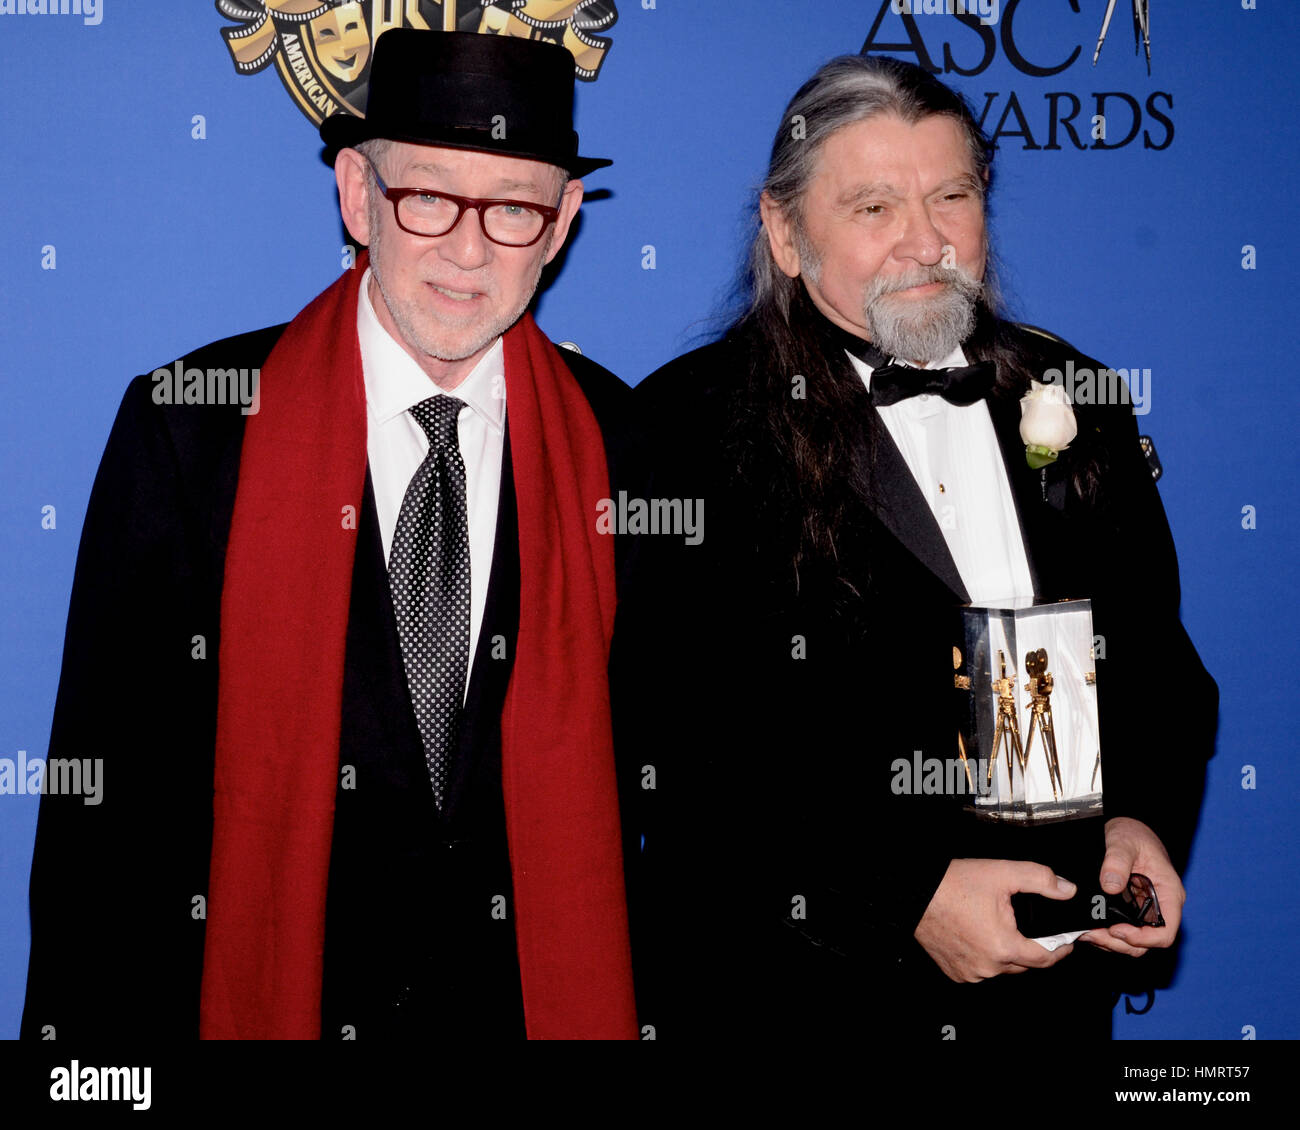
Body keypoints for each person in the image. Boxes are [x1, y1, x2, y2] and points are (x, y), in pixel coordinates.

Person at [22, 28, 638, 1041]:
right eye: (429, 195)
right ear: (357, 194)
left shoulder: (625, 443)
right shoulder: (191, 424)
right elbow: (105, 814)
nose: (470, 247)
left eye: (515, 206)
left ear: (563, 220)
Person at [619, 54, 1216, 1041]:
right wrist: (901, 894)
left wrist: (1139, 815)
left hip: (1048, 1000)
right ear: (783, 229)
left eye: (952, 195)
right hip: (798, 998)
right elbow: (669, 743)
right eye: (873, 209)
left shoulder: (1076, 391)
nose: (926, 242)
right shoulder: (685, 427)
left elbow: (1156, 664)